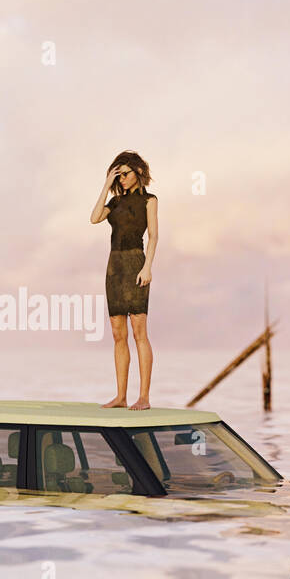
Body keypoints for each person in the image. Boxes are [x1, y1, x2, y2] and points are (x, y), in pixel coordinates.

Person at [89, 150, 158, 410]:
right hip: (114, 267)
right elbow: (94, 217)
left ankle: (144, 397)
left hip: (135, 262)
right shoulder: (115, 202)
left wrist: (147, 266)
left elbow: (153, 236)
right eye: (118, 175)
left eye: (125, 174)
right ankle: (120, 396)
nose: (122, 179)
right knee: (118, 334)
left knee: (140, 331)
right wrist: (107, 185)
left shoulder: (149, 200)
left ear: (138, 172)